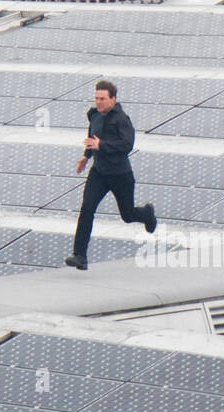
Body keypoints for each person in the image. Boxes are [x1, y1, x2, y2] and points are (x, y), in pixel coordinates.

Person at [65, 80, 156, 271]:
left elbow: (127, 145)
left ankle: (147, 213)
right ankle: (80, 255)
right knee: (87, 209)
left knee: (127, 215)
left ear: (113, 99)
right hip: (99, 173)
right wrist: (86, 156)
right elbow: (92, 136)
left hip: (120, 175)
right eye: (97, 98)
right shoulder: (95, 116)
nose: (99, 102)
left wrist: (102, 146)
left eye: (103, 99)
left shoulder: (121, 119)